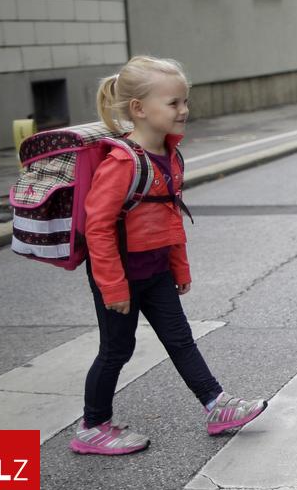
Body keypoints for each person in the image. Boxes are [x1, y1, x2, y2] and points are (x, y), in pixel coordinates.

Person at [71, 56, 267, 455]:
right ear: (139, 109)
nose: (184, 111)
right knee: (116, 350)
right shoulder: (123, 163)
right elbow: (98, 228)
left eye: (184, 101)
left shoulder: (170, 155)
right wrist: (112, 286)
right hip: (121, 275)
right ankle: (92, 427)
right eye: (174, 103)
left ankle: (216, 405)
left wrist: (179, 266)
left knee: (181, 340)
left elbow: (168, 216)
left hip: (156, 269)